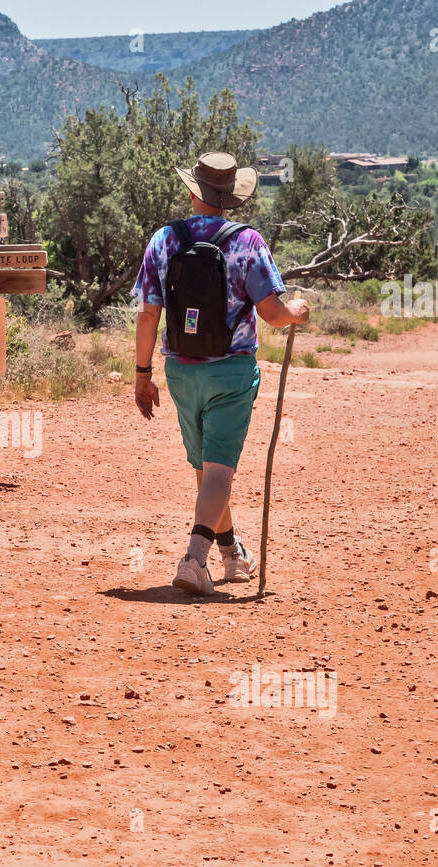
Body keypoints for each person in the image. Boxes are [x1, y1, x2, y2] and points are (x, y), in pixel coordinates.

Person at [132, 151, 309, 596]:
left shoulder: (164, 240)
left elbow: (148, 313)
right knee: (217, 472)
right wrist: (297, 314)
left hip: (180, 372)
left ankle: (232, 554)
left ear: (194, 190)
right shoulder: (248, 242)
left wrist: (141, 374)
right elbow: (271, 313)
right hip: (230, 372)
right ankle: (194, 561)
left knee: (207, 468)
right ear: (230, 197)